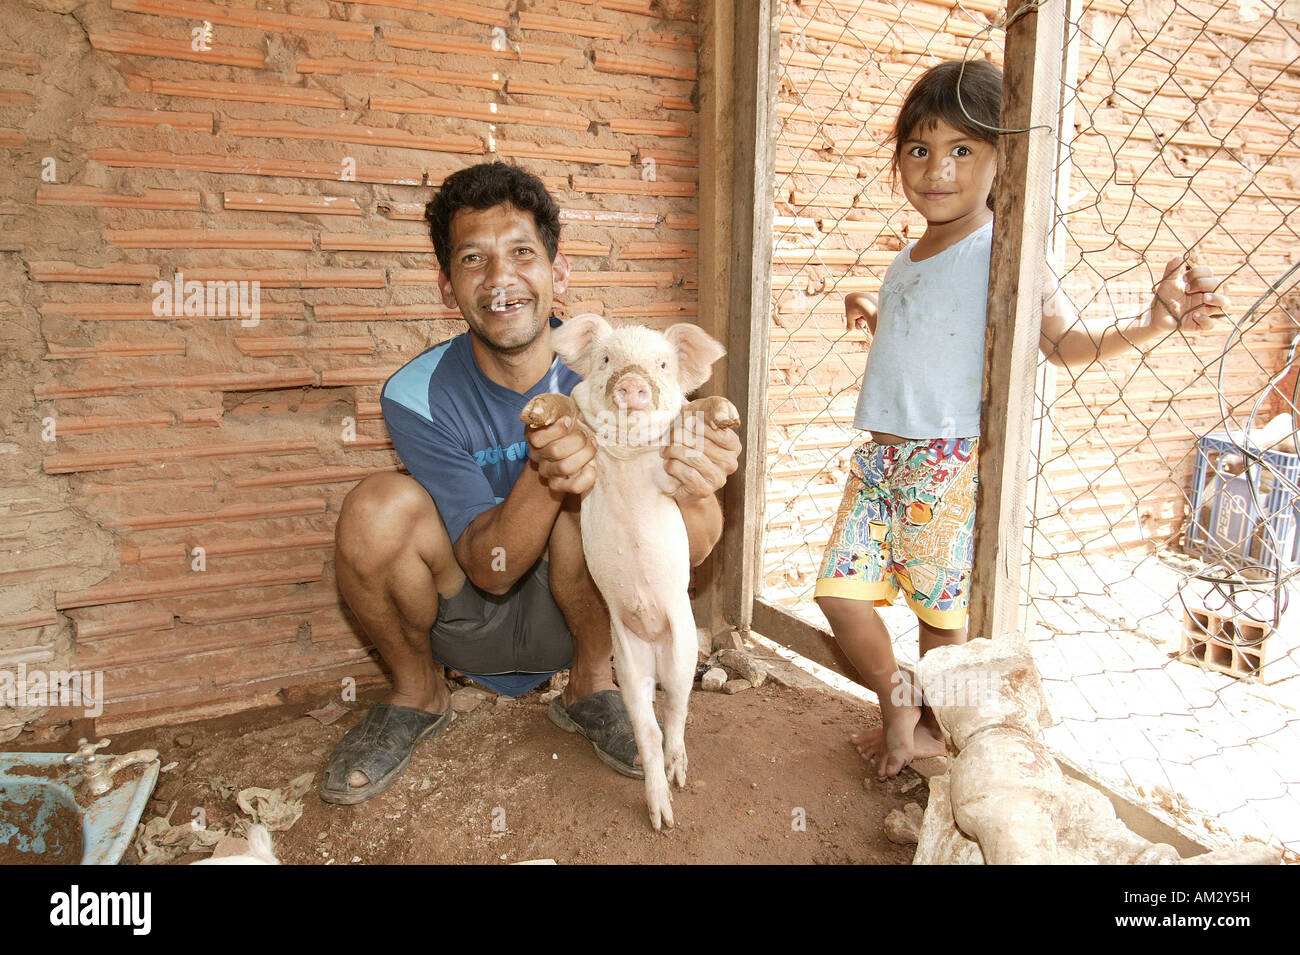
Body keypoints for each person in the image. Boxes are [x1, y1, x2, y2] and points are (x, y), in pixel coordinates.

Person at [814, 60, 1230, 778]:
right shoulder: (906, 258)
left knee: (943, 620)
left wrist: (1153, 320)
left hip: (943, 463)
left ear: (1003, 159)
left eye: (962, 149)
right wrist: (882, 309)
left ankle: (924, 730)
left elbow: (1063, 341)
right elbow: (935, 328)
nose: (937, 168)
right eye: (919, 149)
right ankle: (899, 706)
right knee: (838, 596)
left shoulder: (1003, 249)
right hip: (879, 459)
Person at [320, 162, 741, 804]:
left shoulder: (612, 373)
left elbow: (698, 539)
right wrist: (549, 471)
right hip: (466, 612)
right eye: (472, 260)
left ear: (558, 272)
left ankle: (591, 686)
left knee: (608, 505)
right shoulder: (413, 394)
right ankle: (417, 693)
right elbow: (489, 570)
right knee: (374, 507)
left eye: (522, 252)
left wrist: (696, 481)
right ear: (445, 285)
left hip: (581, 608)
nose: (500, 280)